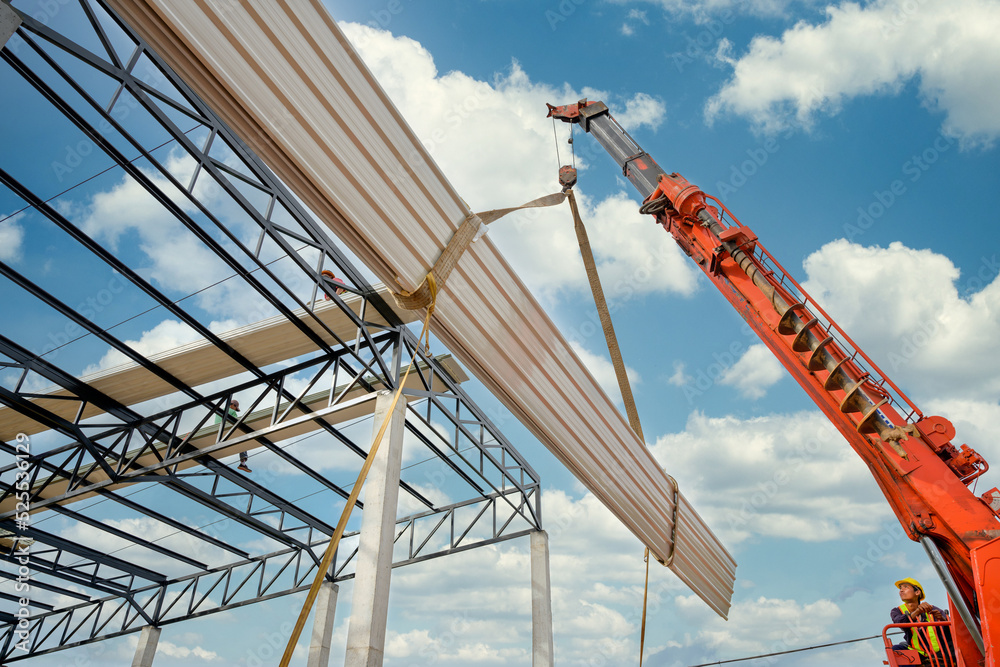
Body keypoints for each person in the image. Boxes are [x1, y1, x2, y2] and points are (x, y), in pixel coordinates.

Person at [890, 577, 954, 663]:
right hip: (917, 653)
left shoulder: (932, 609)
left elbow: (952, 630)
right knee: (896, 650)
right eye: (900, 588)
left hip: (940, 652)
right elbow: (900, 623)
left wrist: (942, 619)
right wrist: (917, 612)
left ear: (917, 592)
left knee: (955, 647)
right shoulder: (897, 611)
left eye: (905, 587)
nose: (901, 590)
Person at [215, 399, 251, 473]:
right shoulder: (232, 411)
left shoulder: (219, 411)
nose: (235, 410)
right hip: (227, 430)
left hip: (217, 433)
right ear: (232, 405)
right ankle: (243, 463)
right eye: (235, 408)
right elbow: (237, 423)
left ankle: (243, 463)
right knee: (243, 438)